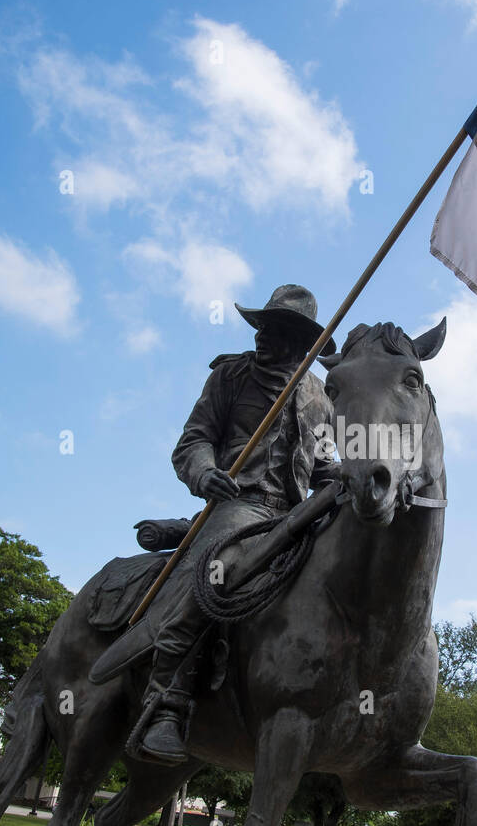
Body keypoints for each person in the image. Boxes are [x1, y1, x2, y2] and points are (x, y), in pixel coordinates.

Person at [137, 284, 336, 764]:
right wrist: (206, 473)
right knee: (216, 574)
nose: (265, 336)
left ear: (300, 341)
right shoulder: (230, 375)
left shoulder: (321, 400)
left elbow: (325, 469)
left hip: (293, 514)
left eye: (279, 329)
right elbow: (195, 439)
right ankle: (166, 700)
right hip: (239, 505)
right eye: (263, 326)